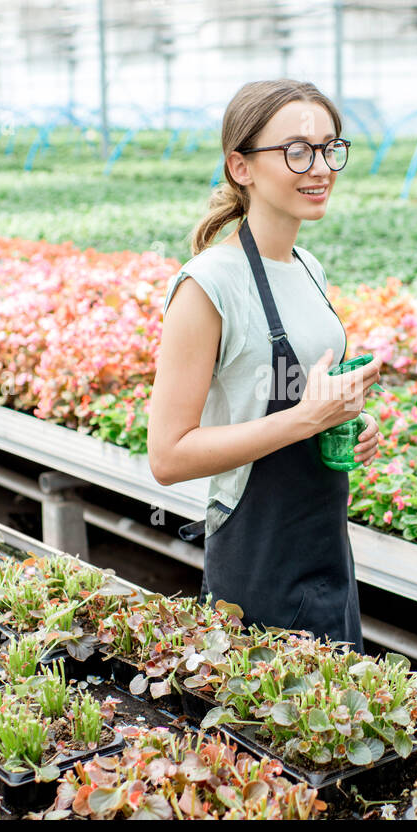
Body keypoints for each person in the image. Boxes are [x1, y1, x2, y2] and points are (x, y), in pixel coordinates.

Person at [147, 79, 382, 651]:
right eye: (296, 150)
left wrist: (345, 422)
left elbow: (295, 395)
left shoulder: (308, 266)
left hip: (326, 541)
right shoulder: (208, 284)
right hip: (257, 555)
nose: (320, 167)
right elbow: (168, 456)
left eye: (330, 148)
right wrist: (305, 419)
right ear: (241, 166)